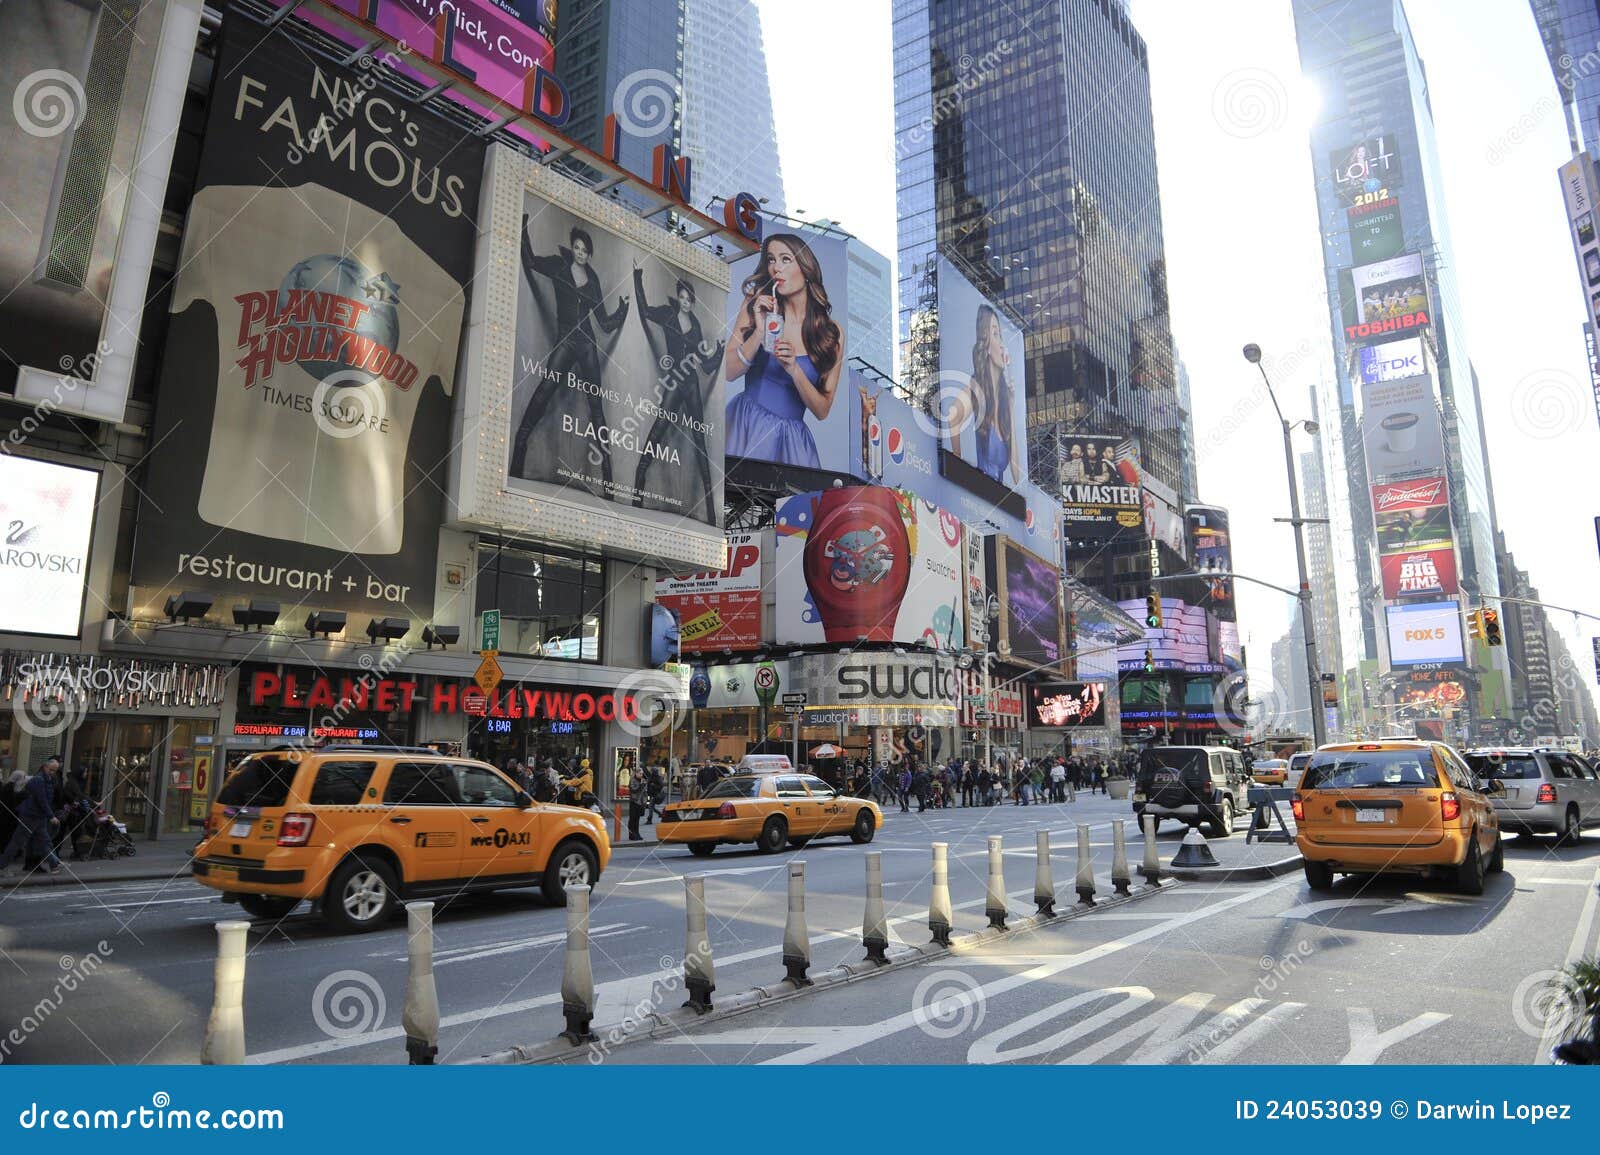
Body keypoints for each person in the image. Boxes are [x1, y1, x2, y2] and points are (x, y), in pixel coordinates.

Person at [511, 219, 631, 485]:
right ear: (572, 248)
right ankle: (519, 448)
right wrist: (523, 227)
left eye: (584, 250)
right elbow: (530, 262)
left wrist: (623, 310)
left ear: (589, 254)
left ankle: (608, 478)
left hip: (587, 343)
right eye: (577, 247)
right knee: (544, 391)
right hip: (565, 339)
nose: (580, 253)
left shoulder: (594, 279)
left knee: (596, 407)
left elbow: (604, 322)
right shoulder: (558, 264)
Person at [723, 233, 843, 468]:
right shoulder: (756, 302)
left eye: (786, 259)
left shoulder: (831, 332)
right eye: (770, 259)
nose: (776, 267)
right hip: (744, 424)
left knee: (792, 504)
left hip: (792, 443)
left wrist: (794, 369)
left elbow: (822, 410)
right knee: (728, 499)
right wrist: (759, 332)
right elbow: (727, 372)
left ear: (806, 269)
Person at [631, 260, 723, 522]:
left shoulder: (695, 328)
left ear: (693, 303)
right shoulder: (667, 314)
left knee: (700, 442)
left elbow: (706, 366)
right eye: (682, 297)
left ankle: (712, 514)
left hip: (690, 383)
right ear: (678, 298)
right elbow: (645, 310)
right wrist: (637, 276)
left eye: (688, 299)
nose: (685, 302)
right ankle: (636, 493)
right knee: (658, 429)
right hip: (673, 382)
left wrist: (718, 352)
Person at [950, 304, 1019, 484]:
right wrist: (958, 466)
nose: (1002, 344)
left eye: (1001, 335)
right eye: (995, 334)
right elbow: (953, 416)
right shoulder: (977, 388)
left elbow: (1016, 469)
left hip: (1002, 506)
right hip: (978, 500)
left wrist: (1011, 406)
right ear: (986, 343)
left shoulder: (1004, 399)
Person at [0, 759, 63, 876]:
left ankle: (54, 864)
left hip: (38, 816)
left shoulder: (48, 780)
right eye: (51, 770)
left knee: (44, 841)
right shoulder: (38, 780)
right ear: (45, 767)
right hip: (30, 816)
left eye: (55, 770)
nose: (52, 772)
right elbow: (42, 800)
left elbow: (46, 800)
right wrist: (51, 816)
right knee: (17, 842)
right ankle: (1, 866)